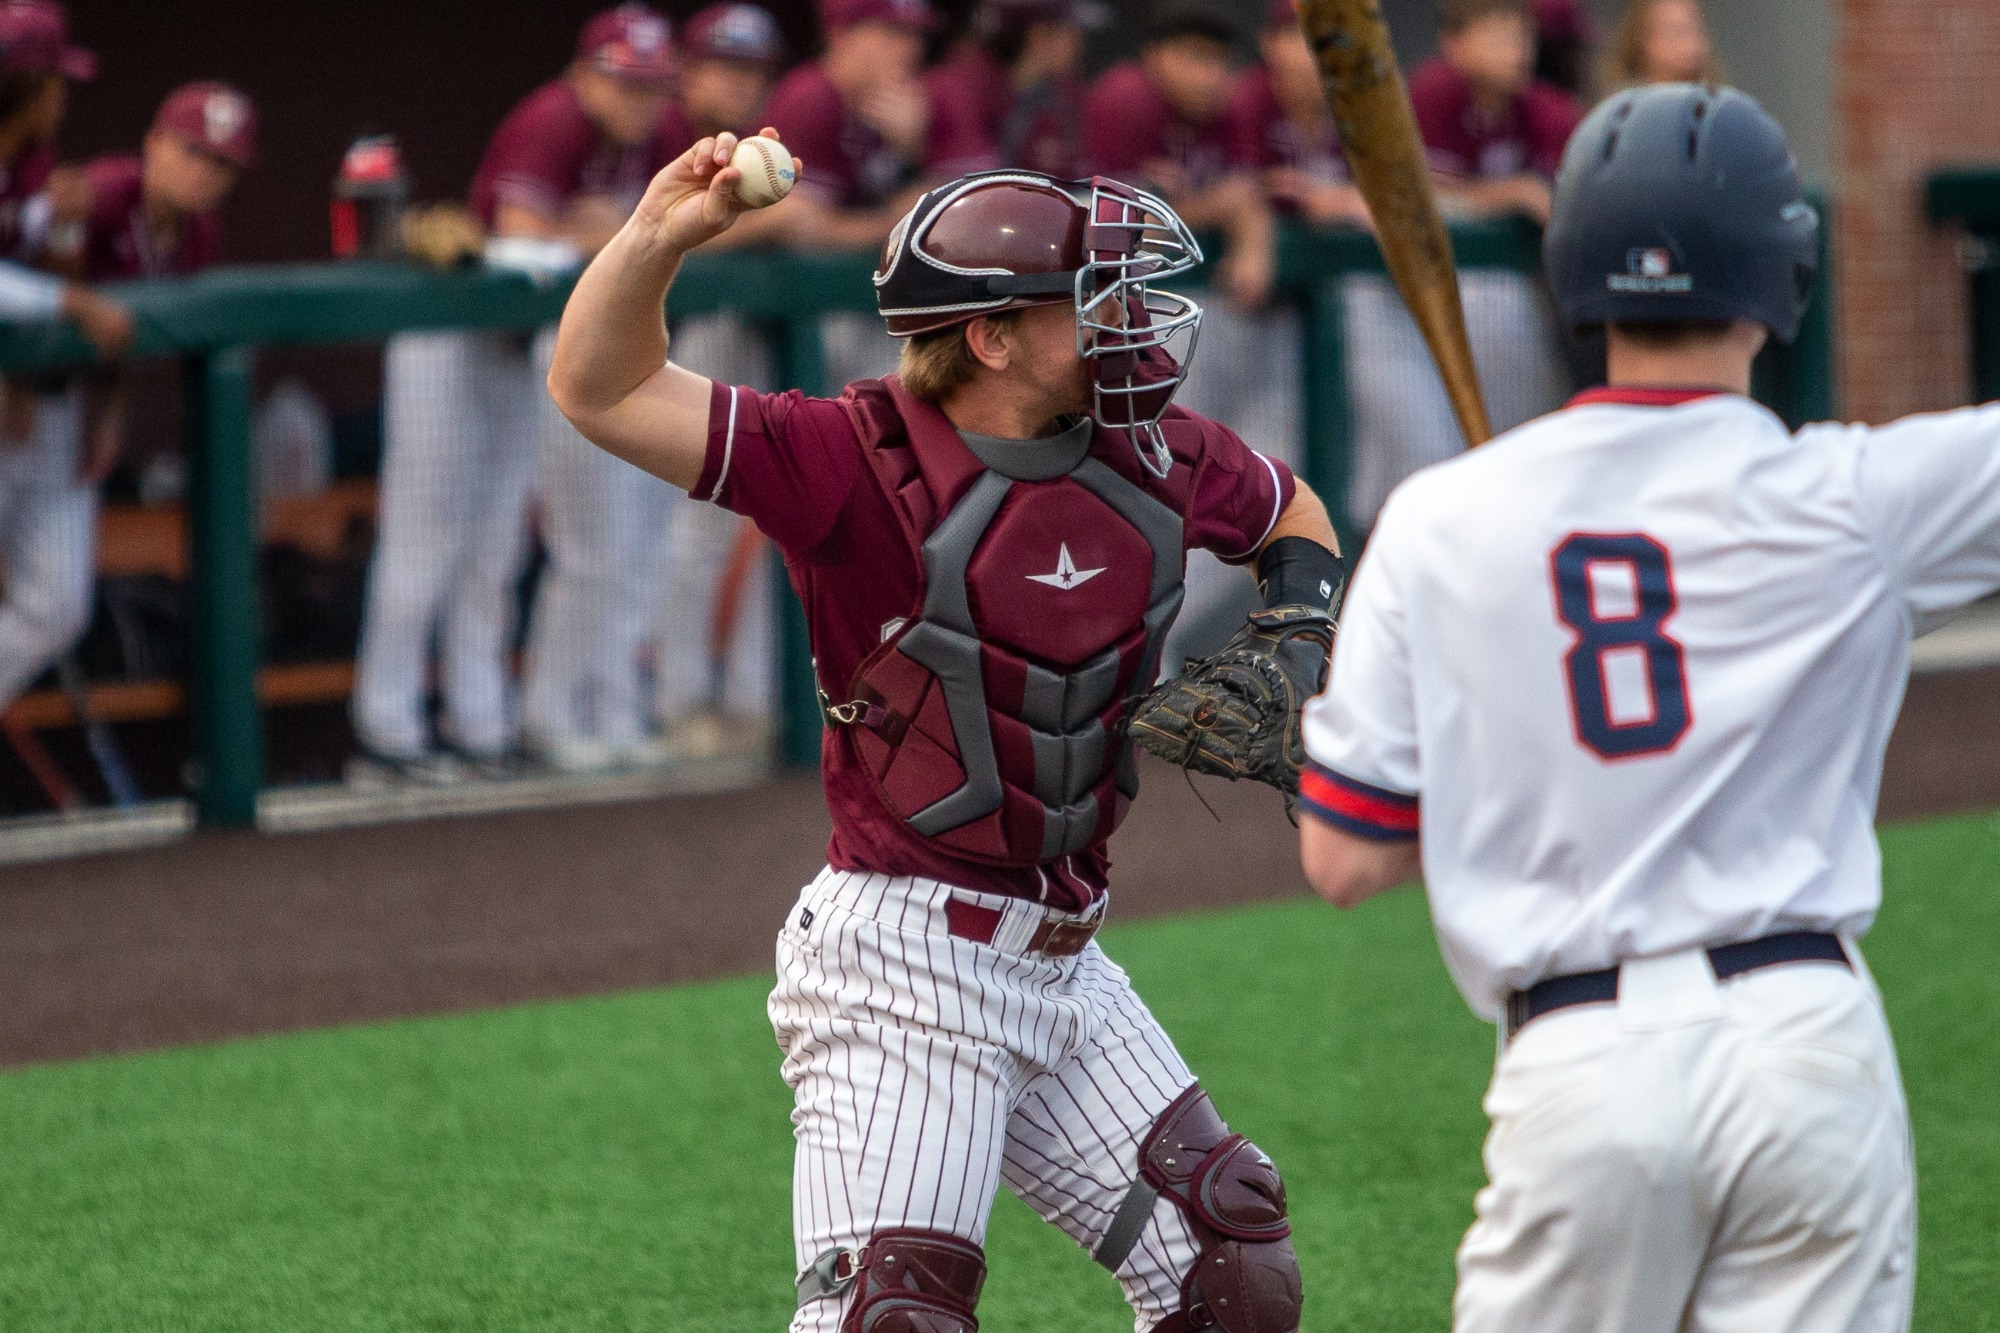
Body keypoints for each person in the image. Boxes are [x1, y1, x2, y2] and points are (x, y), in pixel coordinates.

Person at [549, 134, 1343, 1331]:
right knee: (893, 1318)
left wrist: (1295, 630)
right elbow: (598, 388)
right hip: (902, 966)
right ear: (990, 335)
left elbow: (1290, 509)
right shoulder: (844, 456)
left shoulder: (1154, 445)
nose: (1127, 319)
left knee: (1229, 1274)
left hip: (1068, 960)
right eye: (1090, 297)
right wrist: (658, 235)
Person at [1301, 85, 1930, 1332]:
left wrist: (1512, 734)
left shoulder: (1441, 516)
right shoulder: (1858, 493)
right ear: (1781, 272)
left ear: (1571, 270)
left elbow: (1342, 855)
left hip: (1580, 1070)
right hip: (1810, 1042)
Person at [350, 3, 688, 781]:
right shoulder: (554, 118)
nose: (640, 100)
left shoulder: (662, 136)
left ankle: (482, 725)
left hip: (517, 352)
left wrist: (611, 225)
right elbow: (520, 231)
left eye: (652, 85)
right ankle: (386, 732)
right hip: (451, 337)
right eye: (624, 82)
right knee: (425, 538)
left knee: (497, 542)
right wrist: (613, 227)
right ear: (584, 74)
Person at [1342, 0, 1576, 531]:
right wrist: (1509, 194)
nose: (1517, 51)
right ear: (1455, 42)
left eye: (1522, 37)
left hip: (1496, 303)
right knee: (1418, 465)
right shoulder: (1432, 92)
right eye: (1499, 35)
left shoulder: (1544, 109)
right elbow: (1412, 196)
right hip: (1386, 302)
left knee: (1519, 455)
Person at [0, 0, 134, 719]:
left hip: (37, 406)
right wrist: (69, 305)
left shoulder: (37, 168)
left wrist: (68, 230)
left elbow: (52, 262)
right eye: (54, 82)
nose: (63, 97)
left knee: (55, 603)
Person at [761, 0, 997, 390]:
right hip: (786, 315)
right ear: (841, 37)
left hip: (879, 307)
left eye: (913, 34)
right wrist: (898, 216)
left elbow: (979, 206)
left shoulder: (928, 98)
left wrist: (916, 151)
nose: (909, 49)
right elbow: (801, 231)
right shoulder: (809, 98)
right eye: (890, 33)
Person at [928, 0, 1106, 179]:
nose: (1079, 45)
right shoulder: (964, 86)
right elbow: (965, 184)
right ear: (1038, 36)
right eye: (1072, 33)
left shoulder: (1068, 93)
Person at [1601, 0, 1719, 92]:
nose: (1692, 41)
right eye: (1677, 31)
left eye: (1696, 29)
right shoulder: (1623, 110)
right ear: (1645, 40)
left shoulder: (1716, 103)